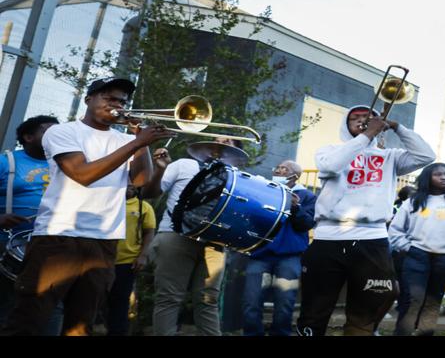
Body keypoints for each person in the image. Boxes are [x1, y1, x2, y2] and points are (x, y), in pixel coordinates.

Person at [0, 77, 168, 336]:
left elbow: (141, 182)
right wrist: (136, 143)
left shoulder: (124, 140)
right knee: (29, 319)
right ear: (89, 99)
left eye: (122, 101)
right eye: (109, 98)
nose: (117, 105)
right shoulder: (63, 131)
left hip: (104, 241)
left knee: (81, 326)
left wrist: (140, 142)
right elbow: (81, 174)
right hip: (58, 237)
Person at [297, 105, 435, 336]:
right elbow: (331, 166)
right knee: (315, 308)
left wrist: (397, 127)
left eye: (368, 117)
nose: (362, 120)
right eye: (355, 118)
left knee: (369, 306)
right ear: (345, 124)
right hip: (329, 237)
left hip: (372, 238)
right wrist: (367, 134)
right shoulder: (329, 150)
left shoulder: (390, 156)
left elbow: (426, 155)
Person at [149, 138, 245, 337]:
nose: (219, 144)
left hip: (215, 242)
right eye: (216, 141)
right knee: (169, 297)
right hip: (175, 235)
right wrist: (159, 169)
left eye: (227, 143)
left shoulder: (239, 178)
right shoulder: (184, 165)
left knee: (209, 299)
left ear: (236, 155)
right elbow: (151, 192)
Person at [391, 162, 445, 336]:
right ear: (427, 177)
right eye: (438, 174)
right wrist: (407, 248)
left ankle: (424, 333)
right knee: (412, 299)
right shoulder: (413, 201)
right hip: (416, 256)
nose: (444, 177)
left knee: (433, 301)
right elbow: (396, 229)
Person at [240, 160, 317, 336]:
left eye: (285, 169)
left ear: (296, 176)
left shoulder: (306, 196)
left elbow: (307, 224)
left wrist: (296, 208)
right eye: (278, 167)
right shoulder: (264, 190)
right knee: (251, 303)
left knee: (285, 305)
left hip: (289, 257)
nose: (280, 170)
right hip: (259, 254)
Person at [0, 114, 58, 325]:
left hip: (50, 246)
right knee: (6, 305)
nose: (54, 136)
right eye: (47, 131)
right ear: (28, 136)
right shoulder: (6, 161)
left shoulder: (65, 165)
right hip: (8, 244)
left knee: (47, 308)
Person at [104, 185, 157, 336]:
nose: (130, 185)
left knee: (120, 301)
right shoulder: (108, 201)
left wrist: (142, 256)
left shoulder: (143, 206)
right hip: (102, 260)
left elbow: (149, 232)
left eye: (133, 183)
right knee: (94, 300)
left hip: (127, 262)